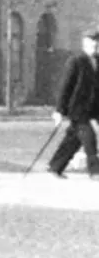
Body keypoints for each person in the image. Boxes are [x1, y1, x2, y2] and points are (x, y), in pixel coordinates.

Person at [49, 29, 99, 179]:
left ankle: (55, 166)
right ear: (85, 44)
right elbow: (65, 86)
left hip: (91, 108)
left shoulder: (97, 61)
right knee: (89, 138)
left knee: (73, 139)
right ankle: (95, 171)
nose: (95, 48)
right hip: (76, 109)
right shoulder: (76, 61)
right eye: (92, 44)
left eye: (97, 45)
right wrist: (59, 110)